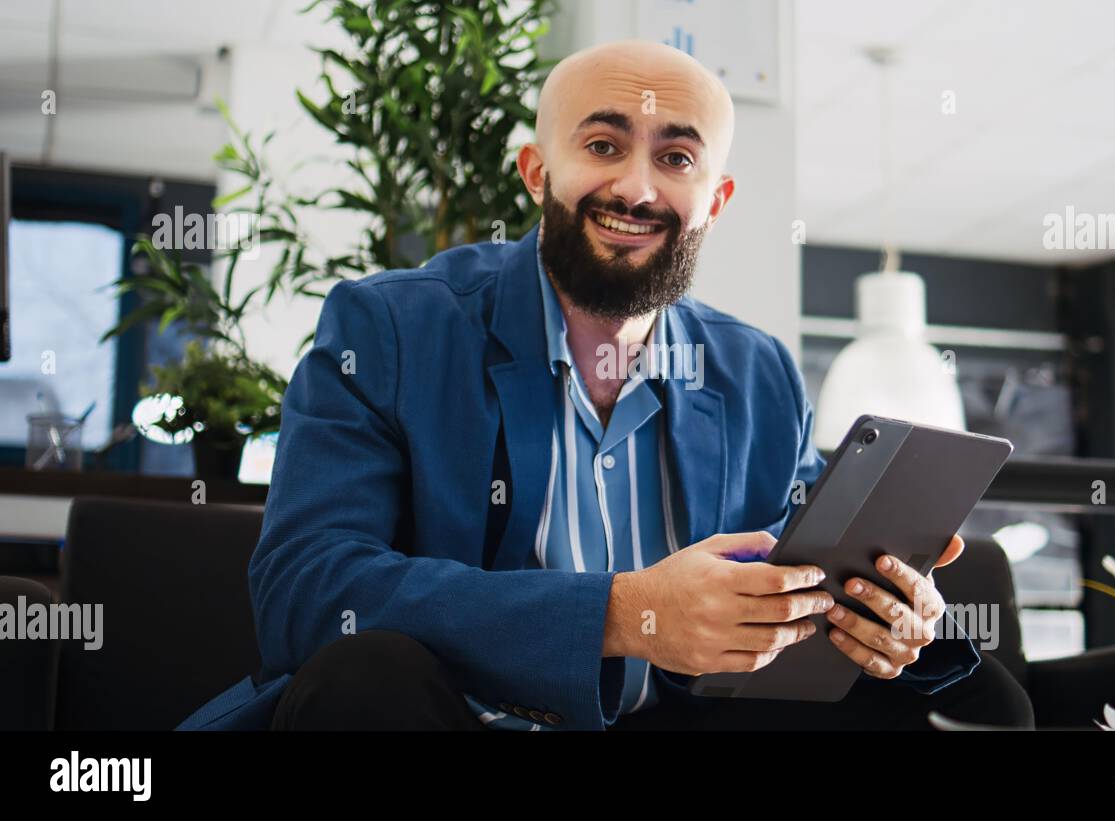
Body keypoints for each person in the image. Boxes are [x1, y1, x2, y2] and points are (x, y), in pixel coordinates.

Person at [178, 39, 1032, 732]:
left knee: (979, 694)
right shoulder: (391, 329)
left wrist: (885, 618)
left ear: (716, 198)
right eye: (603, 144)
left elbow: (793, 584)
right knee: (370, 674)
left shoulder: (756, 372)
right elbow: (308, 590)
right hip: (453, 717)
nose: (636, 185)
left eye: (676, 157)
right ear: (535, 172)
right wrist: (623, 613)